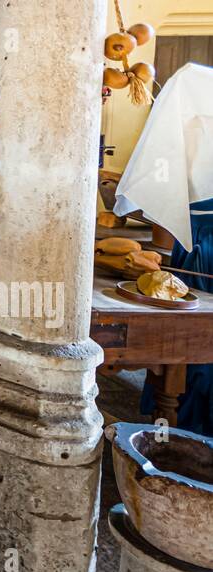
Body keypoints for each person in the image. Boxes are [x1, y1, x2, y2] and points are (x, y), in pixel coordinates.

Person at [114, 63, 213, 433]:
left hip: (202, 234)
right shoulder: (194, 86)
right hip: (204, 237)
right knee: (197, 338)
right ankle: (189, 424)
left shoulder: (195, 87)